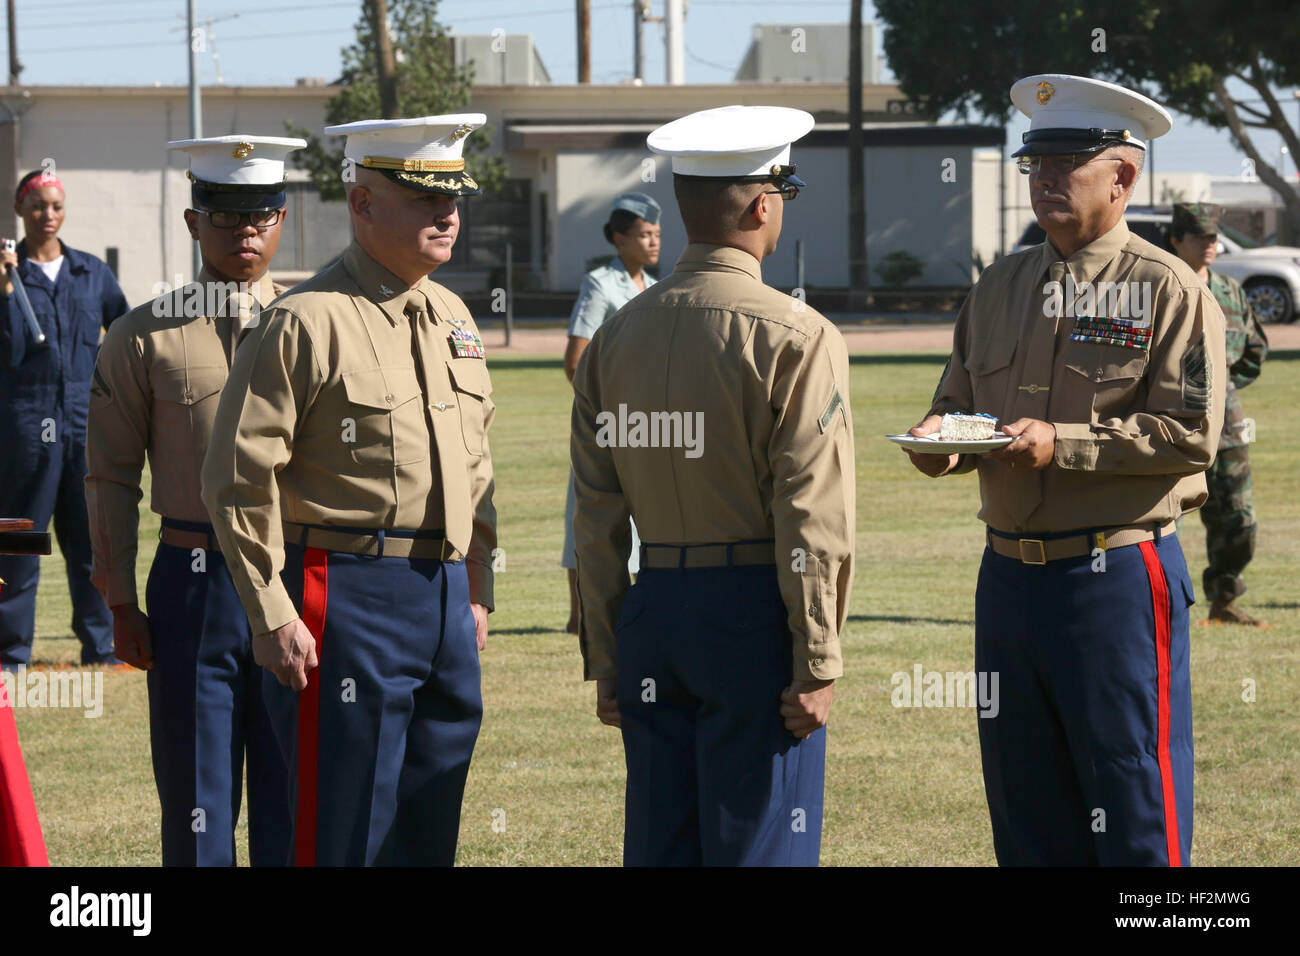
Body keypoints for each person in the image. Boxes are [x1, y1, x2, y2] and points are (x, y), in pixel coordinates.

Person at [905, 75, 1227, 866]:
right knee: (1023, 806)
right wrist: (940, 437)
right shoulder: (1001, 286)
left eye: (1067, 163)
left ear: (1123, 176)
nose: (1044, 179)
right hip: (1008, 579)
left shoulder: (1167, 290)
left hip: (1113, 575)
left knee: (1132, 802)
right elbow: (958, 401)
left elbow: (1190, 435)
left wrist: (1065, 442)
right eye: (1035, 164)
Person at [200, 115, 497, 867]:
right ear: (363, 205)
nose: (449, 214)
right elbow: (237, 478)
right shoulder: (305, 319)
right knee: (342, 834)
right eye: (426, 198)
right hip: (345, 594)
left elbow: (477, 468)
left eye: (454, 198)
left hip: (442, 597)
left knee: (427, 832)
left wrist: (476, 591)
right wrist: (271, 616)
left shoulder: (454, 316)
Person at [571, 105, 856, 866]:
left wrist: (606, 655)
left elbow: (595, 519)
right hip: (753, 613)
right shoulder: (798, 334)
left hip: (654, 609)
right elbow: (811, 513)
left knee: (663, 846)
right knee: (759, 845)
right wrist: (818, 658)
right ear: (764, 205)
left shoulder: (615, 337)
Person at [85, 135, 306, 865]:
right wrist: (118, 599)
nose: (245, 232)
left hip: (297, 577)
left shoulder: (318, 323)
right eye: (226, 216)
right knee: (199, 807)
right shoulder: (141, 335)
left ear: (283, 218)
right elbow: (111, 474)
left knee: (294, 801)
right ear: (192, 221)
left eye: (261, 216)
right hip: (195, 582)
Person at [0, 169, 128, 668]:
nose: (47, 216)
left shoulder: (91, 273)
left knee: (91, 542)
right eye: (36, 206)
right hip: (25, 429)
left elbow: (126, 334)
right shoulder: (7, 275)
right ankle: (11, 651)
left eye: (55, 206)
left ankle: (103, 647)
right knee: (19, 541)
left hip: (83, 427)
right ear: (19, 209)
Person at [561, 192, 661, 633]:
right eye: (643, 234)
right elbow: (575, 359)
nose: (653, 242)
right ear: (619, 239)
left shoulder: (656, 286)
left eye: (657, 234)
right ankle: (580, 614)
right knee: (590, 511)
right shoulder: (599, 284)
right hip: (608, 422)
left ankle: (639, 602)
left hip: (649, 425)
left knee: (647, 509)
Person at [1168, 202, 1268, 627]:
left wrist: (1219, 392)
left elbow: (1253, 352)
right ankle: (1155, 604)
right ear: (1176, 240)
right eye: (1200, 237)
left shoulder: (1229, 290)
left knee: (1238, 518)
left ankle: (1224, 600)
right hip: (1166, 425)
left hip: (1226, 427)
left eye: (1213, 237)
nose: (1210, 245)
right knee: (1154, 519)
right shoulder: (1160, 288)